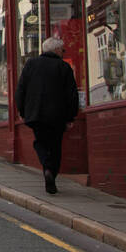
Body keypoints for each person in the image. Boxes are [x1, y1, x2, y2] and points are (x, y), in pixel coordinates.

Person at [15, 36, 80, 195]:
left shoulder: (31, 64)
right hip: (57, 116)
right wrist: (71, 116)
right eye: (62, 50)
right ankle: (51, 172)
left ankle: (47, 169)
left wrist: (22, 111)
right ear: (57, 50)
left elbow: (21, 90)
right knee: (56, 145)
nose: (63, 52)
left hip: (36, 114)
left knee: (41, 142)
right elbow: (71, 95)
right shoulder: (63, 67)